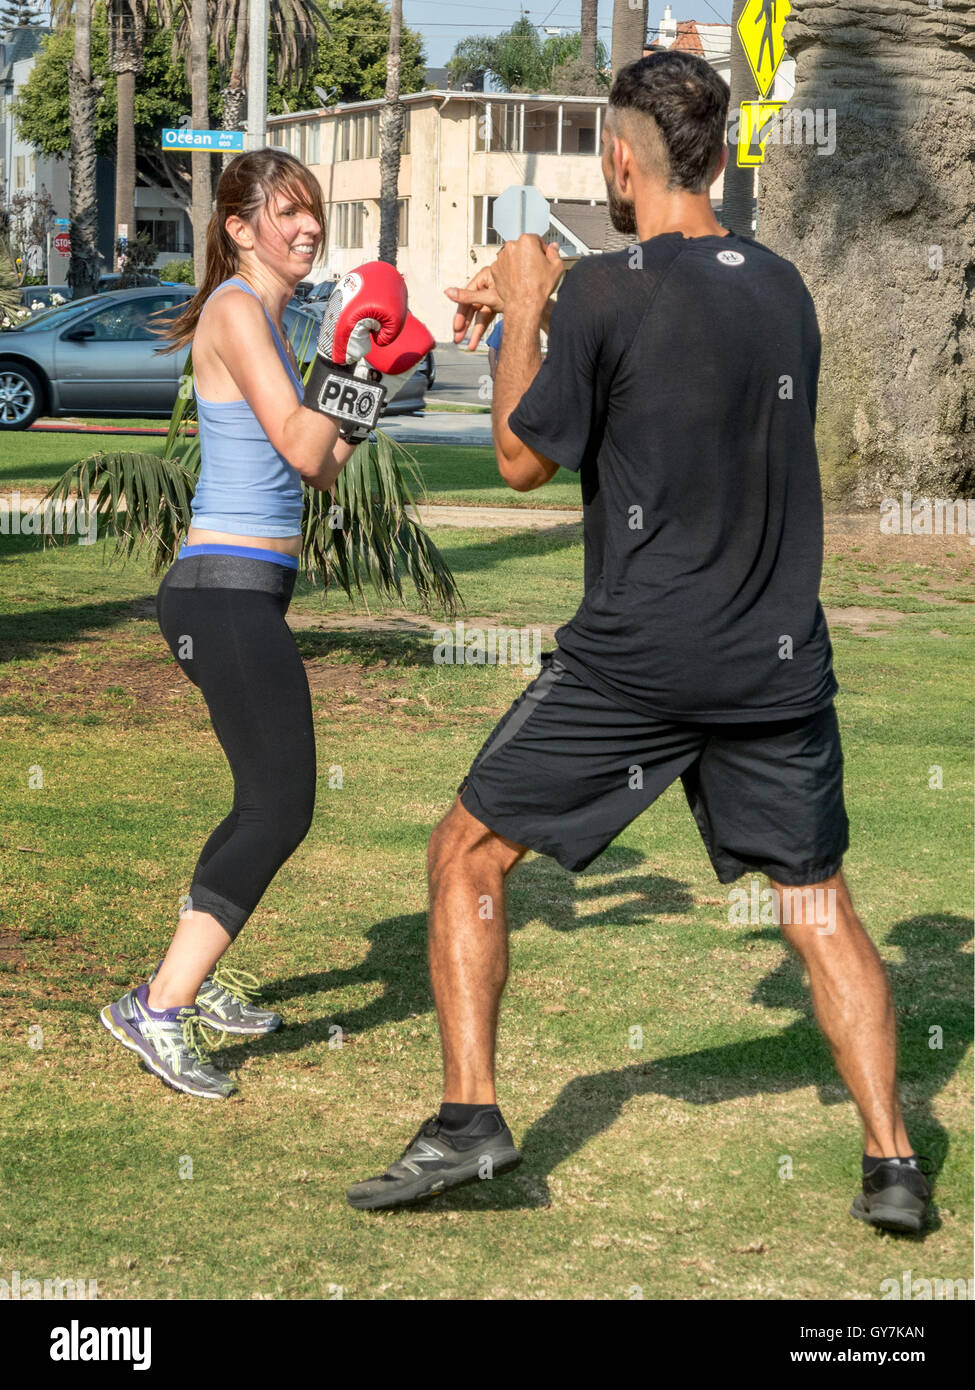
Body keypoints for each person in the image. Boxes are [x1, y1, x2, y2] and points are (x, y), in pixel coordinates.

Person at [347, 52, 932, 1234]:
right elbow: (680, 358)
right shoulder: (780, 286)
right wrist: (558, 305)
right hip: (774, 661)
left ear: (623, 156)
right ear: (711, 153)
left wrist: (526, 310)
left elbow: (519, 460)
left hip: (639, 663)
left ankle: (471, 1123)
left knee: (466, 853)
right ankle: (894, 1163)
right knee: (816, 906)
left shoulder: (608, 291)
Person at [100, 148, 428, 1098]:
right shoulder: (237, 310)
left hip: (242, 594)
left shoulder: (273, 322)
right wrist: (347, 347)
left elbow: (320, 465)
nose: (308, 227)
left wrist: (370, 376)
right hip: (221, 596)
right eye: (287, 213)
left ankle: (180, 988)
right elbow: (294, 438)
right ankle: (158, 1009)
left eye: (314, 210)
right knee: (282, 804)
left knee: (260, 800)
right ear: (239, 229)